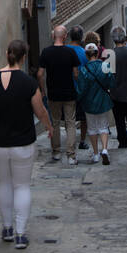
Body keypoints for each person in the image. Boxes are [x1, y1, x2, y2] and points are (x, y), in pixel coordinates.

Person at [0, 39, 52, 249]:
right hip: (23, 143)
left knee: (3, 183)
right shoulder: (29, 83)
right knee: (22, 186)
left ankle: (7, 228)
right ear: (24, 57)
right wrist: (49, 126)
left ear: (6, 53)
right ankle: (20, 233)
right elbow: (39, 111)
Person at [37, 25, 80, 164]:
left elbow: (40, 74)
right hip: (69, 92)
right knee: (70, 123)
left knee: (54, 122)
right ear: (65, 36)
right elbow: (75, 73)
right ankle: (71, 154)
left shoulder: (46, 52)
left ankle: (56, 152)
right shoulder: (70, 52)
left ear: (52, 36)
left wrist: (43, 90)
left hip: (54, 93)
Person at [76, 41, 116, 164]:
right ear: (97, 53)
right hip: (103, 101)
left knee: (92, 128)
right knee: (103, 126)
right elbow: (112, 83)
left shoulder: (83, 70)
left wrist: (78, 99)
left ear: (87, 55)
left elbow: (81, 89)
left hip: (89, 103)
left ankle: (96, 153)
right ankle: (104, 149)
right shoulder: (105, 66)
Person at [68, 26, 90, 149]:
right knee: (83, 118)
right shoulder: (83, 53)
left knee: (69, 117)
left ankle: (70, 140)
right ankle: (82, 140)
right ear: (81, 37)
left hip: (67, 87)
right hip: (80, 89)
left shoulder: (65, 50)